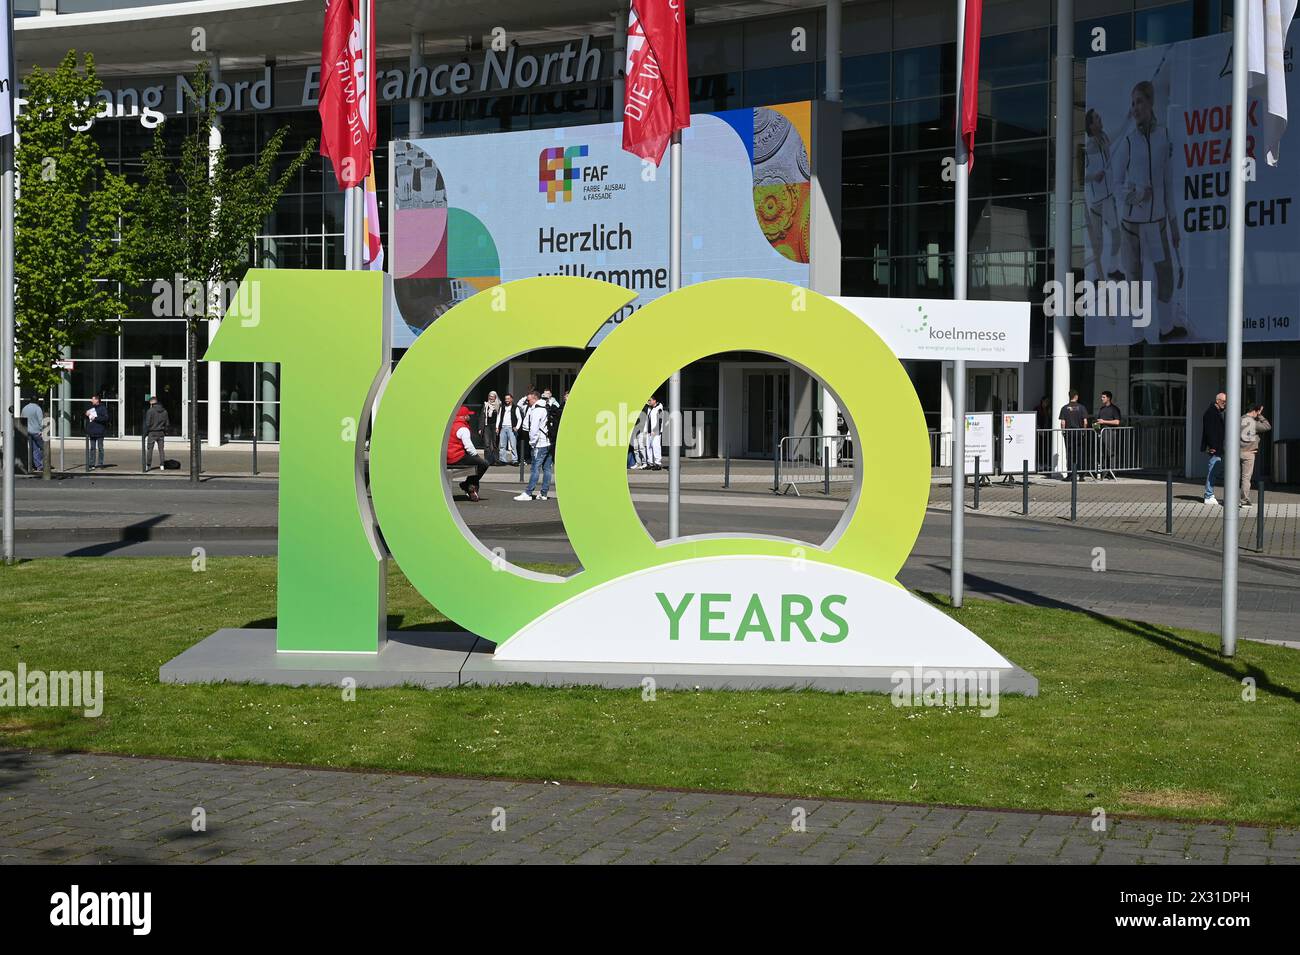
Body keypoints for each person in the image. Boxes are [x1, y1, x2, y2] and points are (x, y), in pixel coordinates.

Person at [1113, 80, 1186, 342]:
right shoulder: (1129, 143)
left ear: (1150, 103)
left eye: (1139, 102)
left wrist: (1175, 226)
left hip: (1157, 224)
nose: (1135, 108)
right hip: (1132, 226)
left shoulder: (1164, 137)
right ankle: (1137, 335)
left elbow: (1167, 184)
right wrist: (1137, 194)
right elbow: (1116, 183)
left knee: (1164, 276)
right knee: (1135, 282)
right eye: (1132, 104)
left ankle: (1166, 329)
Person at [1083, 109, 1123, 284]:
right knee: (1097, 243)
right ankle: (1095, 278)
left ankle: (1113, 269)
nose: (1100, 120)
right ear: (1091, 125)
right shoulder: (1089, 147)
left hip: (1108, 198)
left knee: (1116, 235)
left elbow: (1116, 136)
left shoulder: (1104, 138)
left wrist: (1128, 118)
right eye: (1097, 119)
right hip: (1097, 202)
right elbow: (1080, 176)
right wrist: (1094, 176)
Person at [514, 390, 553, 502]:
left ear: (535, 398)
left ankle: (528, 492)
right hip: (548, 442)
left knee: (535, 468)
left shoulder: (536, 410)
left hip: (539, 444)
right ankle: (544, 493)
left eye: (529, 399)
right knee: (547, 469)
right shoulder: (546, 407)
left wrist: (532, 443)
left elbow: (534, 429)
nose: (528, 401)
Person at [446, 405, 489, 502]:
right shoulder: (463, 429)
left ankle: (471, 488)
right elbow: (469, 447)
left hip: (447, 457)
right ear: (464, 417)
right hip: (457, 457)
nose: (470, 417)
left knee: (476, 463)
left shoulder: (449, 425)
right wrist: (477, 457)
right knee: (483, 464)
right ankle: (468, 484)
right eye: (468, 415)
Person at [1239, 404, 1272, 508]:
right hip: (1249, 453)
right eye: (1259, 411)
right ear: (1256, 411)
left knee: (1235, 477)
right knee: (1246, 478)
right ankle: (1244, 501)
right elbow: (1268, 426)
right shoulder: (1255, 423)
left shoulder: (1239, 419)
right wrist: (1260, 416)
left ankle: (1231, 499)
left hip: (1237, 452)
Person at [1201, 391, 1227, 506]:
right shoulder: (1211, 413)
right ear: (1217, 401)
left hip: (1217, 446)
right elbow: (1209, 431)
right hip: (1215, 447)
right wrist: (1212, 446)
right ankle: (1208, 495)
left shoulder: (1216, 412)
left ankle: (1209, 494)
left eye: (1226, 402)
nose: (1225, 404)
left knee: (1215, 469)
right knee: (1213, 470)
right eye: (1223, 402)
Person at [1057, 390, 1090, 478]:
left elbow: (1063, 422)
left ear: (1069, 396)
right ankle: (1081, 475)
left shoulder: (1064, 408)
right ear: (1076, 396)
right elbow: (1085, 422)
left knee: (1070, 453)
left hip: (1068, 433)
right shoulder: (1082, 407)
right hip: (1079, 432)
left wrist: (1063, 431)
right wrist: (1084, 431)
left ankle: (1070, 475)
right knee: (1080, 453)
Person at [1094, 390, 1122, 477]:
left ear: (1108, 398)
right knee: (1103, 452)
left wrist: (1104, 421)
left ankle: (1112, 472)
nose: (1101, 399)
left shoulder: (1114, 409)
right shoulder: (1102, 409)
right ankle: (1104, 471)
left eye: (1103, 397)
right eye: (1101, 397)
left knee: (1110, 452)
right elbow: (1099, 421)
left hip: (1110, 432)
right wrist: (1096, 427)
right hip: (1102, 433)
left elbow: (1117, 422)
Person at [83, 395, 112, 470]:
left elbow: (106, 418)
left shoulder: (103, 408)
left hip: (100, 431)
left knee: (100, 448)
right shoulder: (92, 408)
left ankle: (100, 463)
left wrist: (95, 418)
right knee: (92, 448)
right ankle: (92, 464)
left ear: (97, 400)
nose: (91, 401)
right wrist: (87, 415)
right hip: (92, 431)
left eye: (93, 399)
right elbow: (89, 418)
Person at [143, 393, 170, 471]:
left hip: (152, 432)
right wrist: (164, 429)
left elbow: (147, 423)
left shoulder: (150, 411)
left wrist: (146, 432)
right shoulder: (164, 411)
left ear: (151, 403)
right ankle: (162, 465)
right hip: (161, 432)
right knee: (161, 450)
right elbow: (167, 423)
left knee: (150, 449)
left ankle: (148, 465)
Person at [20, 397, 45, 474]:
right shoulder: (37, 408)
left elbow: (22, 418)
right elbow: (41, 420)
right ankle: (42, 465)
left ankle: (37, 465)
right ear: (37, 401)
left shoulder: (25, 408)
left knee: (34, 449)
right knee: (43, 447)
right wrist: (42, 430)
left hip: (27, 431)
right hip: (36, 431)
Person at [480, 391, 501, 465]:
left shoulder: (499, 405)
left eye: (492, 396)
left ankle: (496, 460)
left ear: (495, 397)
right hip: (486, 426)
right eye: (490, 396)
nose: (491, 398)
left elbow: (499, 417)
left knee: (495, 443)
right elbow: (482, 417)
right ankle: (488, 460)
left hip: (494, 426)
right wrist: (480, 428)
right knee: (487, 444)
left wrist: (497, 427)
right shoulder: (486, 404)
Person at [496, 393, 518, 465]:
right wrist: (497, 427)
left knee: (513, 445)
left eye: (508, 399)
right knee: (502, 445)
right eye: (506, 399)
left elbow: (519, 419)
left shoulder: (515, 408)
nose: (507, 400)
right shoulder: (502, 407)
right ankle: (503, 460)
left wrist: (517, 427)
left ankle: (515, 460)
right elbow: (499, 417)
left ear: (511, 399)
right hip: (503, 428)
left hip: (511, 428)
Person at [645, 396, 665, 470]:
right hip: (649, 431)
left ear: (654, 401)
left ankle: (658, 463)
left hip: (655, 432)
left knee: (656, 446)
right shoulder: (650, 408)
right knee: (649, 447)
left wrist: (656, 430)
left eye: (650, 400)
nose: (649, 402)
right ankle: (650, 463)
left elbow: (660, 420)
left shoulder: (659, 408)